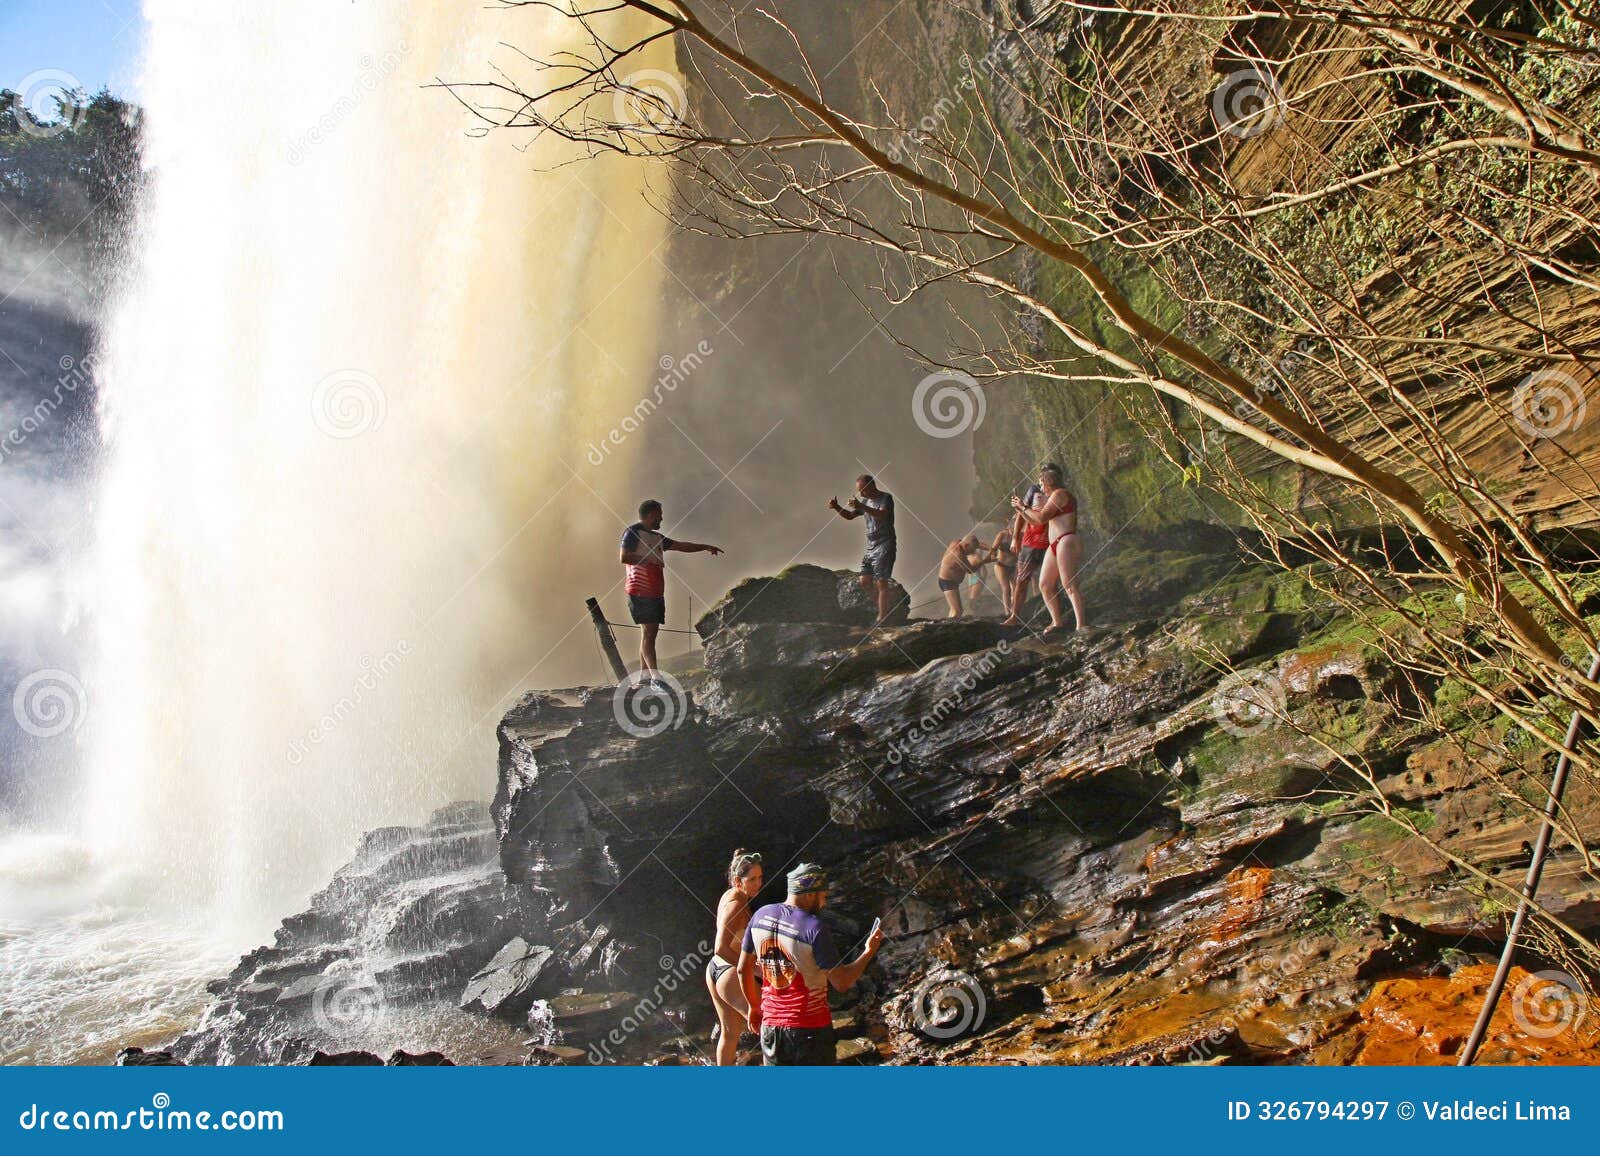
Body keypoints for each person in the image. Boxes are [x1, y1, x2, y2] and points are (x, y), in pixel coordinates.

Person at [738, 862, 883, 1066]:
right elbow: (842, 983)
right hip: (809, 1031)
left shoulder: (760, 915)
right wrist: (869, 951)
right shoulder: (813, 928)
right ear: (808, 894)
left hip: (770, 1028)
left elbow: (743, 968)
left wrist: (754, 1006)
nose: (823, 903)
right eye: (822, 896)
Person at [618, 499, 723, 680]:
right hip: (639, 590)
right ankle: (655, 678)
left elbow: (682, 546)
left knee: (648, 634)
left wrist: (706, 547)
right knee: (649, 634)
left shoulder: (657, 537)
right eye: (659, 515)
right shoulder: (632, 532)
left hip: (655, 591)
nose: (662, 518)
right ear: (651, 514)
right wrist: (650, 559)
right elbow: (624, 557)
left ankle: (645, 678)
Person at [706, 849, 764, 1067]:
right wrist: (753, 968)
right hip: (728, 972)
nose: (758, 883)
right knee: (770, 1025)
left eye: (760, 878)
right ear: (738, 880)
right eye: (751, 879)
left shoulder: (732, 894)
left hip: (715, 971)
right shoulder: (737, 903)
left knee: (730, 1034)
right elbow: (720, 947)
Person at [1010, 463, 1086, 630]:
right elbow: (1033, 520)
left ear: (1049, 482)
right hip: (1055, 545)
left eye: (1042, 484)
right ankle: (1057, 621)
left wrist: (1023, 506)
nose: (1041, 488)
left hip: (1066, 541)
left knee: (1069, 585)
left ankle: (1081, 626)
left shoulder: (1060, 494)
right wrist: (1021, 509)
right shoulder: (1054, 496)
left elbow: (1041, 518)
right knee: (1045, 584)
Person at [827, 474, 896, 625]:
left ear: (871, 486)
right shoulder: (864, 501)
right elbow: (850, 516)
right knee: (865, 580)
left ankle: (883, 617)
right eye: (859, 491)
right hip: (871, 544)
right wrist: (837, 507)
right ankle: (884, 608)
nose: (861, 494)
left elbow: (882, 514)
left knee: (881, 581)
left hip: (885, 542)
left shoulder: (885, 498)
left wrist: (861, 506)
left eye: (863, 490)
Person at [1002, 465, 1054, 626]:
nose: (1042, 479)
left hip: (1051, 542)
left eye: (1045, 477)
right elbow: (1020, 513)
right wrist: (1015, 538)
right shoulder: (1033, 490)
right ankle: (1014, 617)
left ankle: (1054, 616)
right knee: (1022, 580)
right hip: (1031, 542)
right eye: (1041, 476)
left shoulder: (1058, 493)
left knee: (1050, 580)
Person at [937, 532, 988, 619]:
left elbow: (978, 545)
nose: (971, 553)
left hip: (949, 581)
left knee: (954, 609)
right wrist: (985, 560)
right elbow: (969, 570)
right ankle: (950, 627)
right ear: (966, 546)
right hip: (947, 582)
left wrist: (991, 549)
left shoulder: (958, 542)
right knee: (958, 611)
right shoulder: (958, 554)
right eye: (971, 550)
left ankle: (948, 624)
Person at [989, 526, 1017, 618]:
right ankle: (1007, 612)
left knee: (1016, 589)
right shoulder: (1002, 535)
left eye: (1016, 529)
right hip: (1001, 565)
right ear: (1009, 528)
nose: (1014, 531)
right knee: (1006, 588)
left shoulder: (1020, 535)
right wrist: (993, 555)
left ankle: (1014, 610)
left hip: (1013, 565)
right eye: (1012, 529)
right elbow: (993, 549)